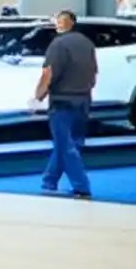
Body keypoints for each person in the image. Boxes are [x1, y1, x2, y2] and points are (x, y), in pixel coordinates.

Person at [35, 10, 97, 199]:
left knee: (65, 145)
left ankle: (82, 186)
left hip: (62, 100)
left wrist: (38, 95)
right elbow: (94, 71)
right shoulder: (87, 43)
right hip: (84, 98)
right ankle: (49, 180)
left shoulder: (58, 44)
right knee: (73, 143)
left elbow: (49, 73)